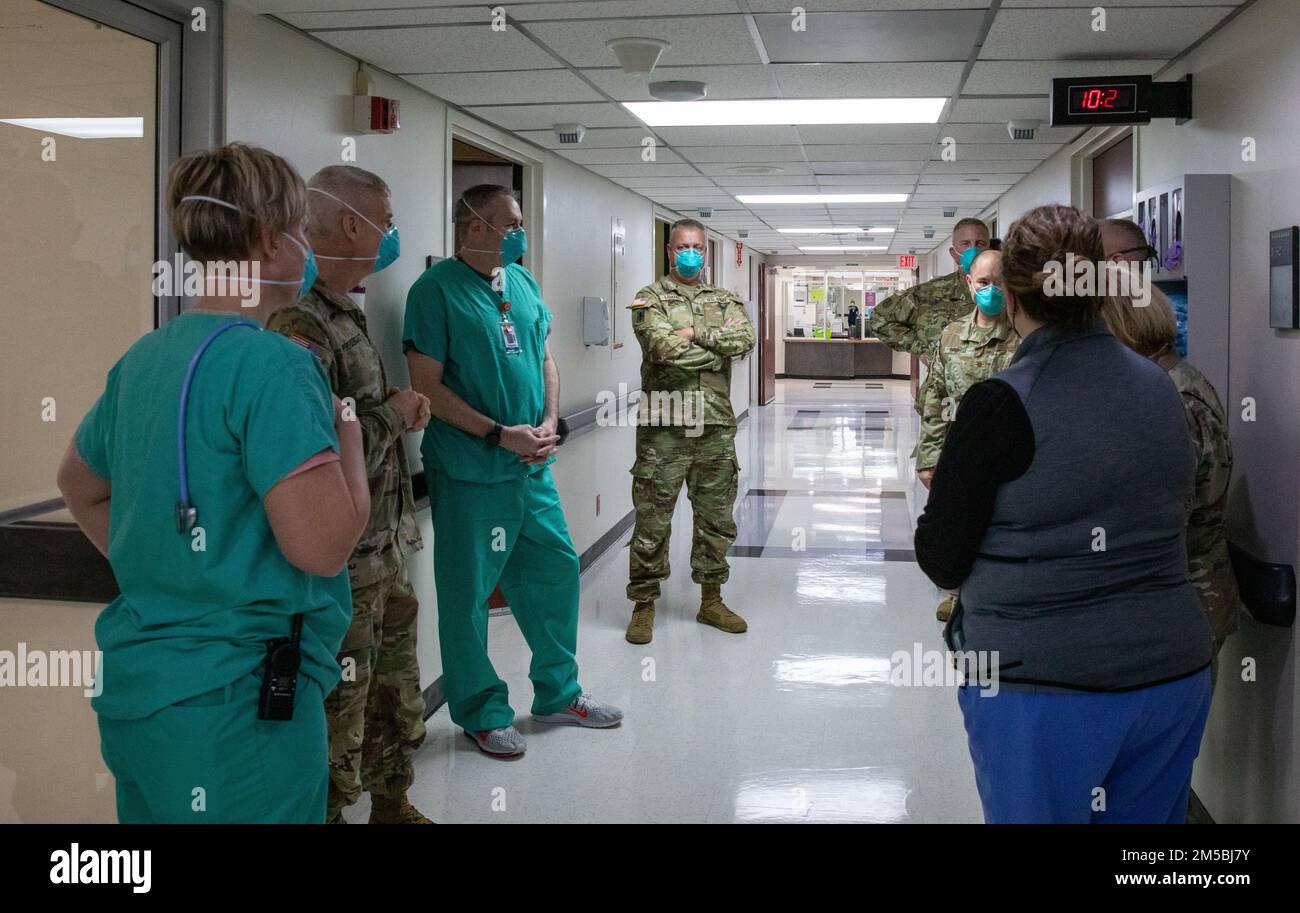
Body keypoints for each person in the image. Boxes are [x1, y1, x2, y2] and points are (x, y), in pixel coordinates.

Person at [57, 143, 370, 823]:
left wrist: (171, 573)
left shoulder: (144, 358)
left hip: (142, 697)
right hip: (240, 708)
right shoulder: (275, 366)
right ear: (269, 239)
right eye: (299, 227)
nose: (307, 245)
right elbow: (322, 548)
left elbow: (79, 487)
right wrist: (349, 435)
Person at [914, 204, 1213, 824]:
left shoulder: (1000, 403)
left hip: (1041, 684)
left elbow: (942, 556)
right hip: (1171, 672)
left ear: (1013, 295)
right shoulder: (1162, 386)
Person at [404, 184, 622, 759]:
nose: (521, 232)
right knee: (468, 595)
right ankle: (481, 712)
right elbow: (426, 386)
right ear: (475, 226)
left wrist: (549, 421)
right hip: (472, 472)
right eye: (513, 222)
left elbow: (545, 358)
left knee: (555, 573)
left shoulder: (521, 282)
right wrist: (499, 434)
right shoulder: (435, 292)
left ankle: (558, 694)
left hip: (532, 469)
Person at [267, 165, 433, 824]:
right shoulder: (300, 320)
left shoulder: (344, 311)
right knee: (342, 707)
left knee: (395, 690)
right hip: (342, 563)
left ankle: (392, 801)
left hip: (384, 547)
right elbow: (315, 447)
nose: (392, 235)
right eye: (386, 222)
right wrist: (393, 412)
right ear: (351, 224)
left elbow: (351, 416)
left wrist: (388, 409)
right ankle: (331, 813)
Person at [625, 218, 756, 645]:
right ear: (669, 251)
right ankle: (643, 605)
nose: (690, 253)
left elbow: (745, 340)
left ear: (706, 251)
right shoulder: (649, 299)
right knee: (652, 519)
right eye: (683, 246)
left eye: (697, 246)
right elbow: (661, 348)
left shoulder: (724, 298)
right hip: (663, 426)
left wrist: (695, 332)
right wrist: (714, 353)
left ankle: (711, 600)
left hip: (715, 425)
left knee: (716, 517)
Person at [1099, 289, 1241, 673]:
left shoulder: (1173, 397)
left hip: (1186, 597)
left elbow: (1172, 508)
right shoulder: (1162, 381)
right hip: (1172, 596)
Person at [915, 249, 1019, 622]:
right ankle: (958, 595)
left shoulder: (1025, 334)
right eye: (984, 282)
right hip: (961, 454)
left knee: (1003, 527)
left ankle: (1001, 595)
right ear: (969, 283)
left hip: (1013, 454)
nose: (992, 290)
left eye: (1000, 282)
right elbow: (935, 396)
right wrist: (929, 458)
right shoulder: (952, 335)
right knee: (960, 526)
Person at [869, 217, 989, 412]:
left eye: (980, 244)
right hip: (944, 399)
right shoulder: (929, 293)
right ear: (953, 253)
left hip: (996, 398)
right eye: (965, 244)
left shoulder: (1008, 292)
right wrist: (921, 349)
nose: (973, 250)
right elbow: (880, 319)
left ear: (989, 249)